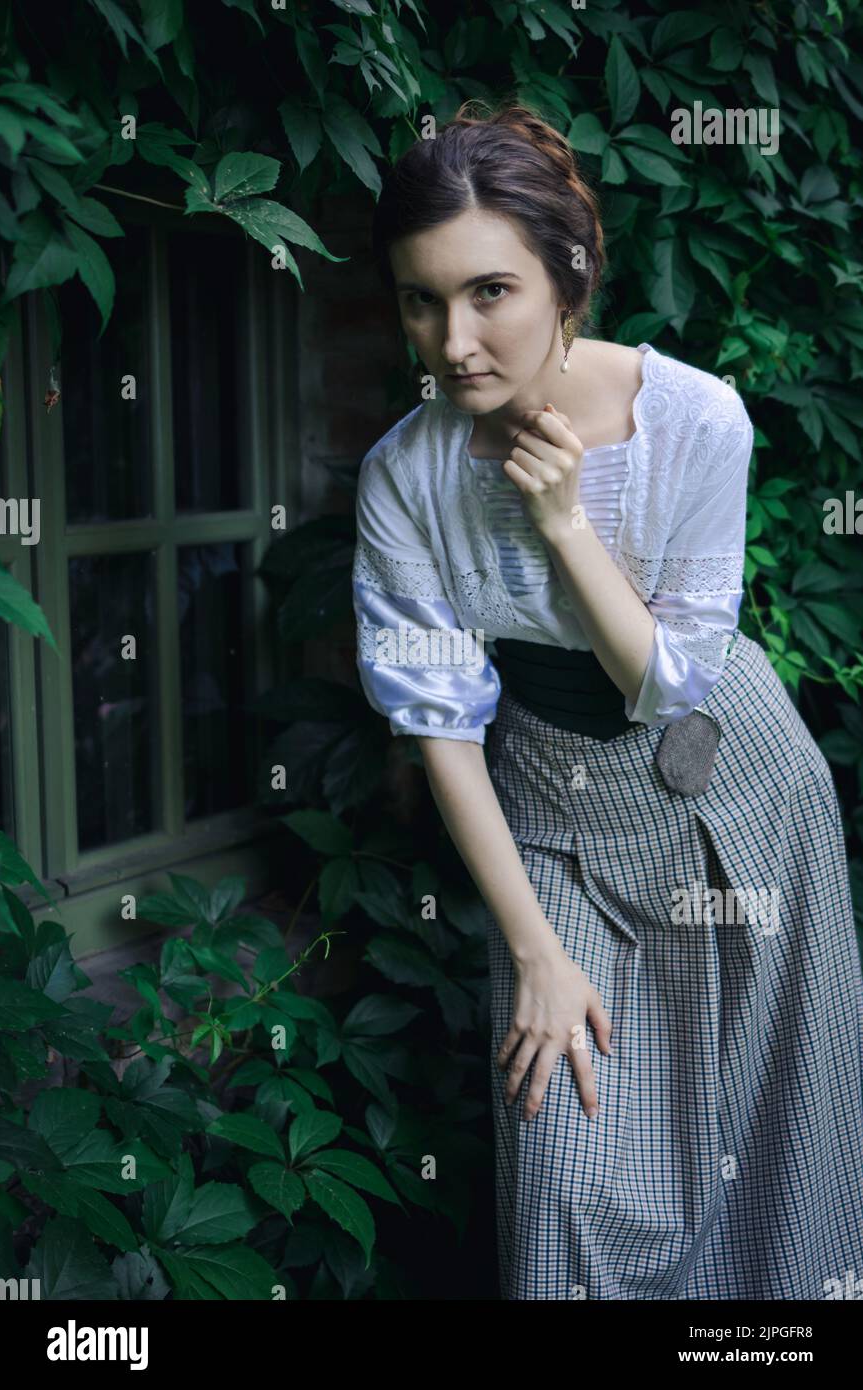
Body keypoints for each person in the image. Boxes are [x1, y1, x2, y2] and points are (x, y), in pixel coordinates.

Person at [351, 100, 863, 1300]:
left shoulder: (693, 420)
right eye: (420, 300)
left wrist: (564, 523)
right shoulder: (404, 474)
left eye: (488, 292)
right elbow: (440, 725)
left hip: (736, 797)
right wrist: (531, 950)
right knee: (569, 1164)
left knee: (776, 1144)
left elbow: (664, 679)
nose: (451, 340)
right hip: (555, 820)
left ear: (565, 277)